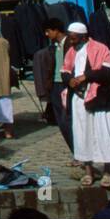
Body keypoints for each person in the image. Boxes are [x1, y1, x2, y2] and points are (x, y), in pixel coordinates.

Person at [62, 23, 110, 188]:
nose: (71, 41)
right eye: (70, 37)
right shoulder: (71, 51)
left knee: (103, 133)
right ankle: (88, 171)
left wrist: (85, 77)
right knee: (83, 134)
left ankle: (107, 171)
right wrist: (71, 80)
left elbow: (108, 71)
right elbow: (65, 71)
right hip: (79, 99)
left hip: (98, 98)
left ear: (83, 36)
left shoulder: (100, 48)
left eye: (73, 37)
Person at [39, 20, 73, 150]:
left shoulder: (70, 43)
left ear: (56, 30)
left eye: (48, 31)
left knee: (68, 120)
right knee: (61, 121)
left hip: (67, 85)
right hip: (55, 86)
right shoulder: (53, 46)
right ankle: (75, 152)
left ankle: (79, 153)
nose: (47, 34)